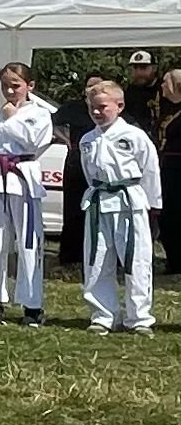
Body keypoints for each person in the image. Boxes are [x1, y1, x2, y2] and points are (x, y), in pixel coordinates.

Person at [79, 80, 161, 336]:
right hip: (100, 202)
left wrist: (153, 205)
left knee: (136, 261)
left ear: (120, 105)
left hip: (130, 201)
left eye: (102, 107)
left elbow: (150, 171)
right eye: (92, 107)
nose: (96, 112)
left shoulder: (134, 136)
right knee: (97, 259)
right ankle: (103, 315)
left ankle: (139, 318)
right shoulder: (87, 140)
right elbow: (87, 172)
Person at [0, 63, 54, 327]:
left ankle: (32, 305)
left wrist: (12, 119)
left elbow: (34, 142)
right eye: (5, 85)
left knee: (28, 241)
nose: (10, 91)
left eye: (16, 85)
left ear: (30, 86)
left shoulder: (40, 115)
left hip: (24, 177)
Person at [53, 71, 106, 266]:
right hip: (76, 160)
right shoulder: (73, 107)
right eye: (90, 85)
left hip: (100, 163)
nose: (94, 89)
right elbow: (53, 123)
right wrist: (67, 140)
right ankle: (70, 256)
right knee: (73, 209)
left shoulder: (106, 109)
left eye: (99, 85)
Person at [159, 70, 181, 275]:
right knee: (168, 216)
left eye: (166, 83)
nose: (162, 87)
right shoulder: (172, 109)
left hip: (178, 169)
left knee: (173, 215)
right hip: (170, 167)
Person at [123, 50, 160, 136]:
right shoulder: (131, 90)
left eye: (143, 67)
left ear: (154, 68)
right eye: (135, 68)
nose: (138, 73)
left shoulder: (163, 88)